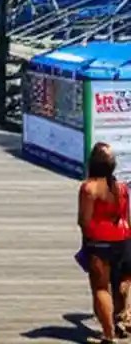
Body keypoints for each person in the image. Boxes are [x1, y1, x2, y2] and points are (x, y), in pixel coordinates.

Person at [79, 142, 131, 342]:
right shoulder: (121, 187)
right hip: (124, 239)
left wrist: (86, 243)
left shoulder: (89, 188)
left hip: (100, 242)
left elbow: (84, 220)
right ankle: (121, 319)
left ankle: (108, 335)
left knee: (101, 288)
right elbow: (126, 216)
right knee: (121, 283)